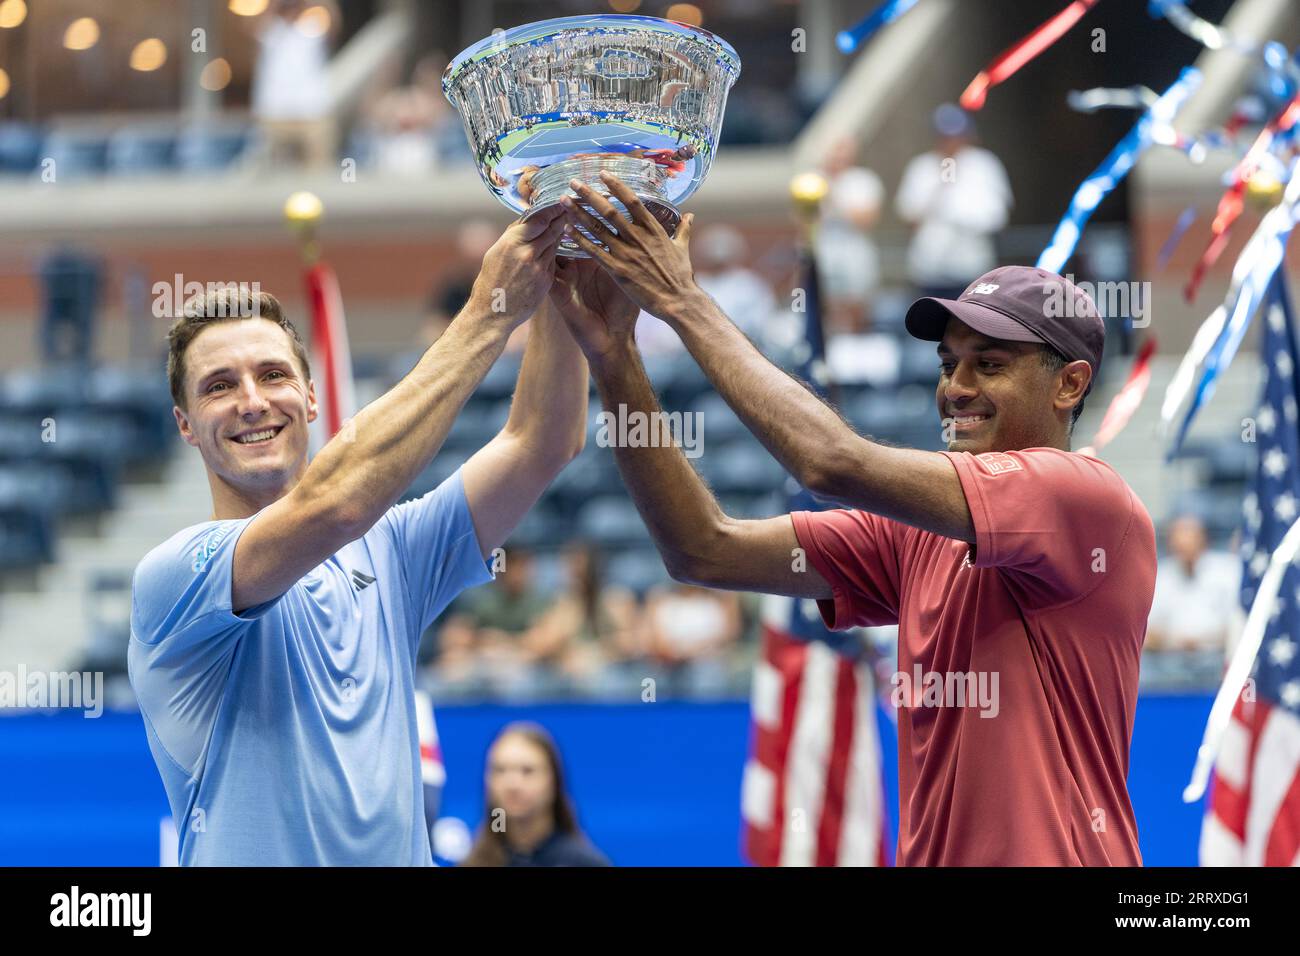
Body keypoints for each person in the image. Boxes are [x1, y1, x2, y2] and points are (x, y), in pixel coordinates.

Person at [554, 173, 1156, 866]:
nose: (955, 388)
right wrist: (615, 356)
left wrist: (683, 301)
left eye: (988, 365)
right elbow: (702, 550)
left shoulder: (1083, 497)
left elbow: (828, 462)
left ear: (1071, 384)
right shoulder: (918, 532)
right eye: (948, 363)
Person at [128, 206, 620, 865]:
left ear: (310, 397)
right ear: (185, 425)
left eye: (272, 375)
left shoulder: (389, 548)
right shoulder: (176, 576)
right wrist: (490, 310)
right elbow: (334, 504)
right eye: (220, 386)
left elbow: (542, 442)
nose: (251, 401)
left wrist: (568, 279)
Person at [895, 104, 1013, 300]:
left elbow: (997, 216)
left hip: (970, 268)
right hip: (928, 269)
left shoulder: (984, 165)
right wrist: (940, 187)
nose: (950, 143)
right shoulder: (921, 166)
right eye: (944, 137)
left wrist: (958, 214)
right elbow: (908, 214)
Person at [461, 722, 610, 866]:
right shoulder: (474, 863)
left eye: (527, 771)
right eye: (500, 770)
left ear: (553, 781)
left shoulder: (583, 863)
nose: (513, 784)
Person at [242, 0, 341, 171]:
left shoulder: (312, 28)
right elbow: (248, 27)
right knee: (271, 171)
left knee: (319, 170)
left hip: (312, 112)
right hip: (274, 113)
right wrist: (273, 4)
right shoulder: (271, 30)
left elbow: (334, 22)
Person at [1147, 514, 1241, 654]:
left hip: (1218, 656)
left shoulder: (1228, 570)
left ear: (1203, 541)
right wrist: (1177, 642)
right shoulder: (1160, 576)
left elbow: (1240, 624)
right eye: (1179, 544)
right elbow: (1147, 634)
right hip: (1171, 660)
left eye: (1190, 540)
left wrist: (1201, 641)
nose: (1185, 547)